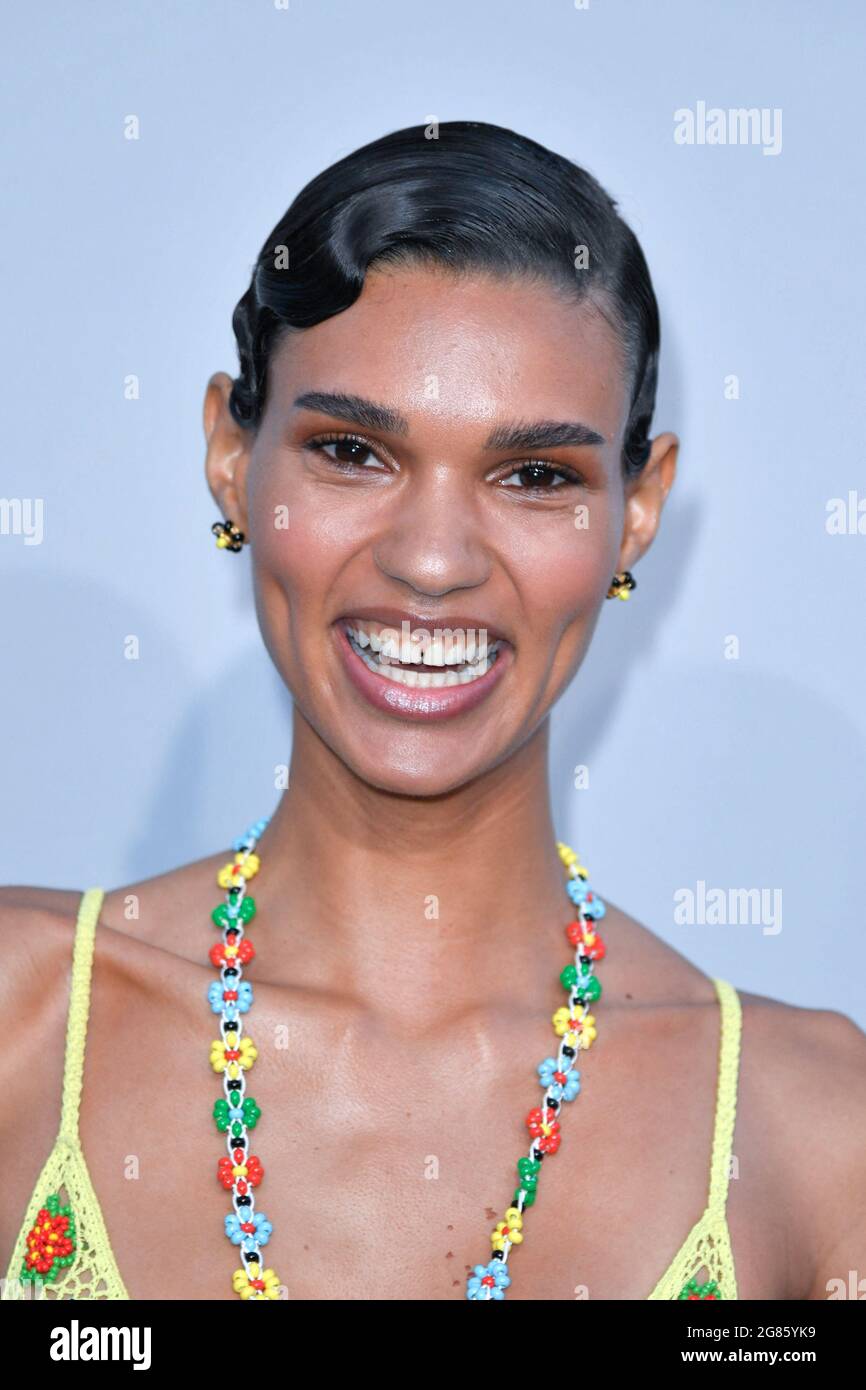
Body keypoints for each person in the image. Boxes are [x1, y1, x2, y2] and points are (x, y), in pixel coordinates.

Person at [2, 121, 865, 1302]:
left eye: (535, 476)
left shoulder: (809, 1128)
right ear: (228, 454)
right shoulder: (22, 1017)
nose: (431, 559)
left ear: (636, 510)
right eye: (351, 450)